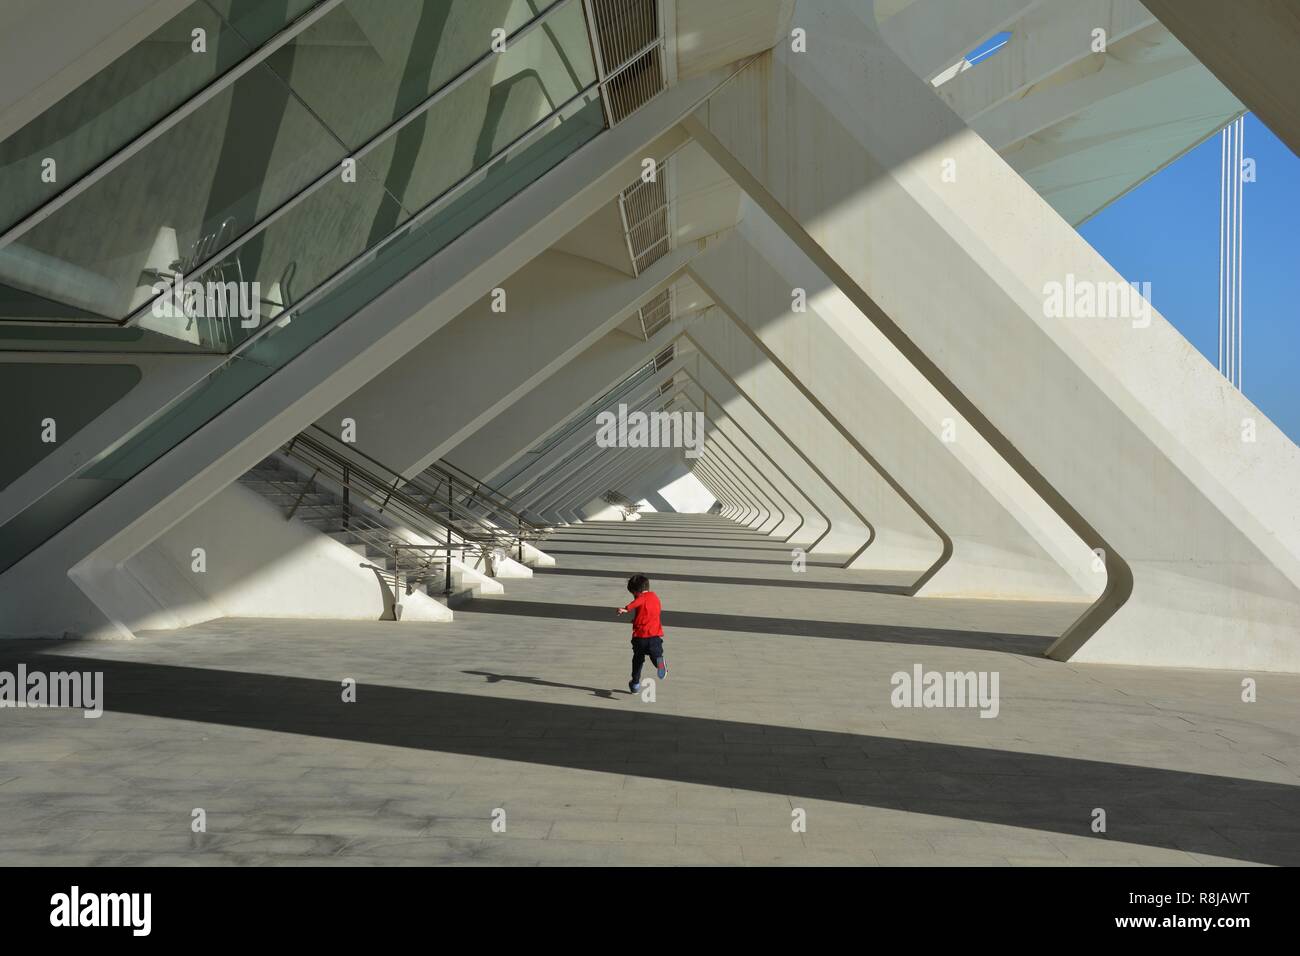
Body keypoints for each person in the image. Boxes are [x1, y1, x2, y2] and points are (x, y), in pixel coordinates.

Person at [616, 573, 666, 693]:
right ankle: (660, 664)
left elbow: (637, 603)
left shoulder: (641, 598)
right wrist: (636, 619)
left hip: (640, 638)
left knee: (638, 660)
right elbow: (649, 612)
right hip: (654, 636)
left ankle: (635, 683)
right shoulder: (654, 597)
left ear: (636, 591)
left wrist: (626, 608)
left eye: (633, 594)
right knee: (656, 655)